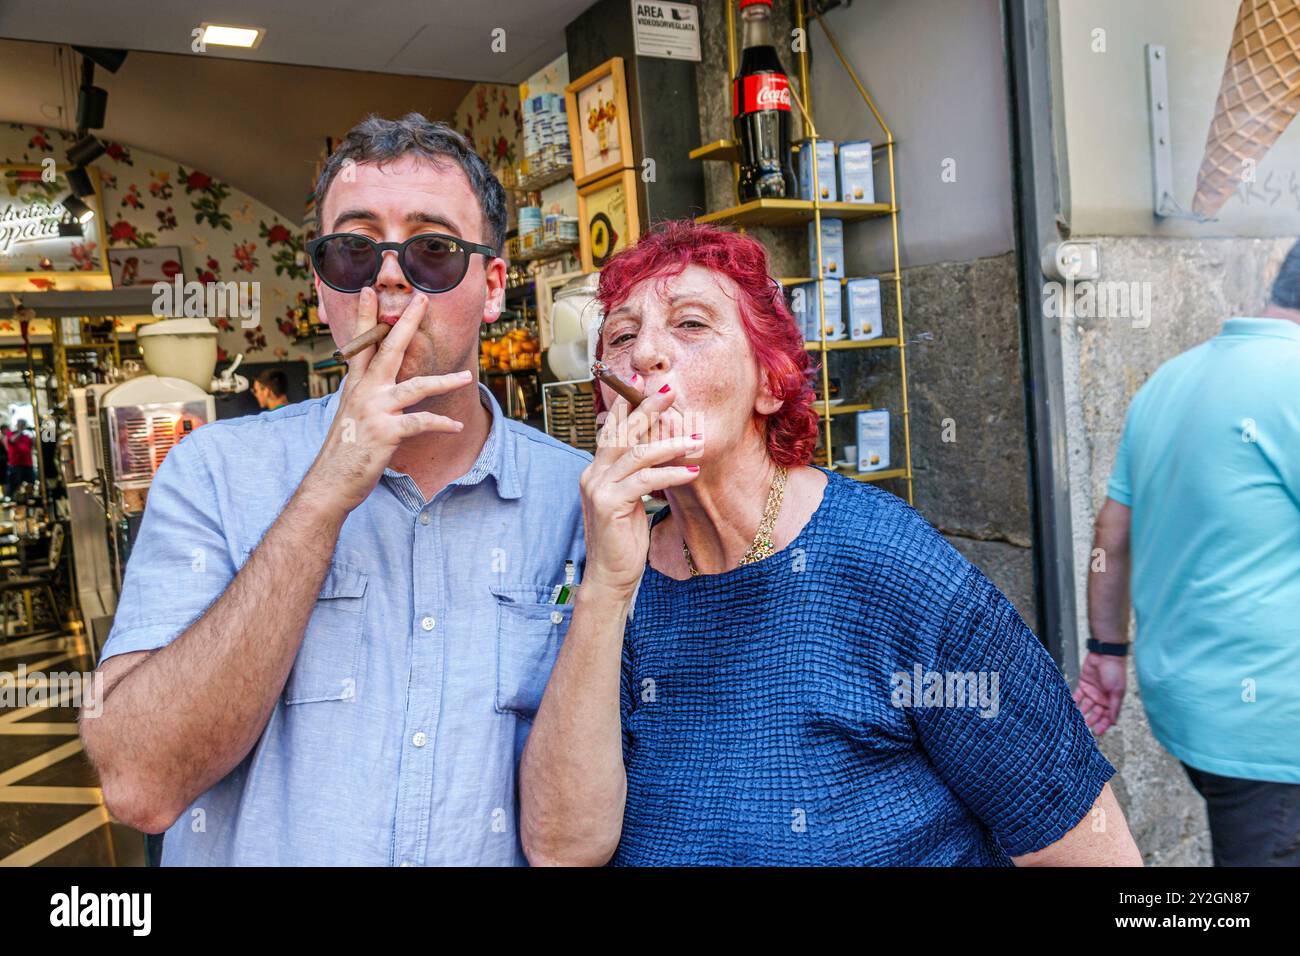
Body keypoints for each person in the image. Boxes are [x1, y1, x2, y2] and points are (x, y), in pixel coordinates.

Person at [519, 221, 1142, 866]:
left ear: (769, 381)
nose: (645, 353)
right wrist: (605, 590)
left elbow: (1089, 851)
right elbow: (562, 851)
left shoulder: (892, 566)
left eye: (691, 324)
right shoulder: (616, 576)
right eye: (622, 336)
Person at [80, 114, 591, 865]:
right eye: (354, 250)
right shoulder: (212, 473)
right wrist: (324, 494)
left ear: (493, 287)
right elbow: (139, 783)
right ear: (323, 286)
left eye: (433, 250)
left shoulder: (575, 498)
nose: (389, 276)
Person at [1081, 241, 1300, 867]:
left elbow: (1110, 536)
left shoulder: (1170, 378)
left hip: (1192, 709)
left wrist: (1106, 652)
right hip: (1274, 730)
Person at [5, 419, 36, 499]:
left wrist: (33, 432)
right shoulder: (10, 434)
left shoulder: (27, 437)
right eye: (20, 424)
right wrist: (20, 431)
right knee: (15, 487)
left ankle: (29, 500)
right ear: (17, 425)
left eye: (23, 424)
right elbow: (12, 440)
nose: (22, 426)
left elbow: (34, 445)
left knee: (31, 485)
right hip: (16, 466)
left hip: (28, 465)